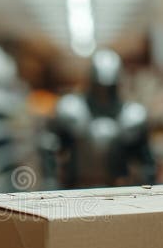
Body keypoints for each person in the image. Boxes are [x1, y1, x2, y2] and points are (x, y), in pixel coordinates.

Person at [41, 48, 156, 189]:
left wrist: (148, 185)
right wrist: (50, 181)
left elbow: (146, 160)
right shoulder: (71, 108)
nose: (103, 93)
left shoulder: (133, 115)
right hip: (77, 187)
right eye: (99, 87)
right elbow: (50, 145)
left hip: (120, 188)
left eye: (109, 88)